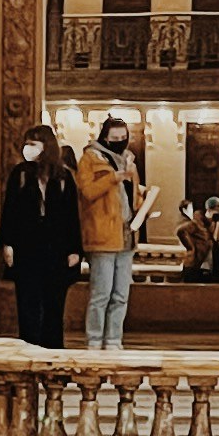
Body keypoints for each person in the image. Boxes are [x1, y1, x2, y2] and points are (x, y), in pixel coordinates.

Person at [0, 123, 81, 348]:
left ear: (47, 146)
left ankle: (53, 353)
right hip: (27, 247)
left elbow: (72, 215)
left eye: (33, 144)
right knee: (27, 303)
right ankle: (29, 349)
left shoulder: (63, 177)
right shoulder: (21, 173)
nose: (29, 148)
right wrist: (7, 243)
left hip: (56, 249)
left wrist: (75, 249)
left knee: (54, 306)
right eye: (27, 144)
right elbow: (10, 210)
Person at [74, 110, 147, 350]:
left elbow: (132, 196)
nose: (120, 142)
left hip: (126, 235)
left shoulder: (129, 160)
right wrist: (113, 178)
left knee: (121, 294)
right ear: (105, 137)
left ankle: (114, 338)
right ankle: (94, 338)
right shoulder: (90, 159)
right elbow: (87, 192)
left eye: (124, 137)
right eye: (114, 138)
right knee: (101, 294)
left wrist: (142, 201)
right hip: (102, 235)